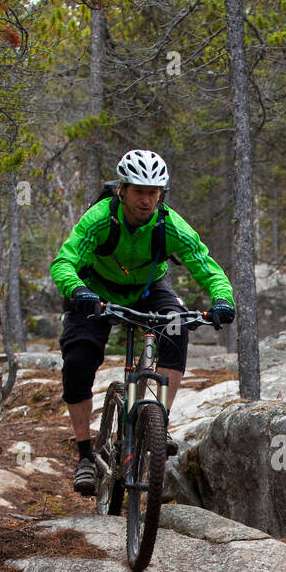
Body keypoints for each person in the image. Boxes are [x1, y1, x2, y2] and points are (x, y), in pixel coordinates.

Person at [49, 148, 235, 494]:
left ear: (161, 194)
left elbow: (205, 265)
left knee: (177, 325)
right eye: (138, 191)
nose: (146, 200)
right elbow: (64, 261)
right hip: (95, 291)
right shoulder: (100, 219)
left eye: (153, 193)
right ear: (122, 190)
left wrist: (223, 299)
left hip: (148, 289)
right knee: (78, 358)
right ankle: (86, 456)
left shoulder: (170, 224)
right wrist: (78, 290)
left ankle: (157, 424)